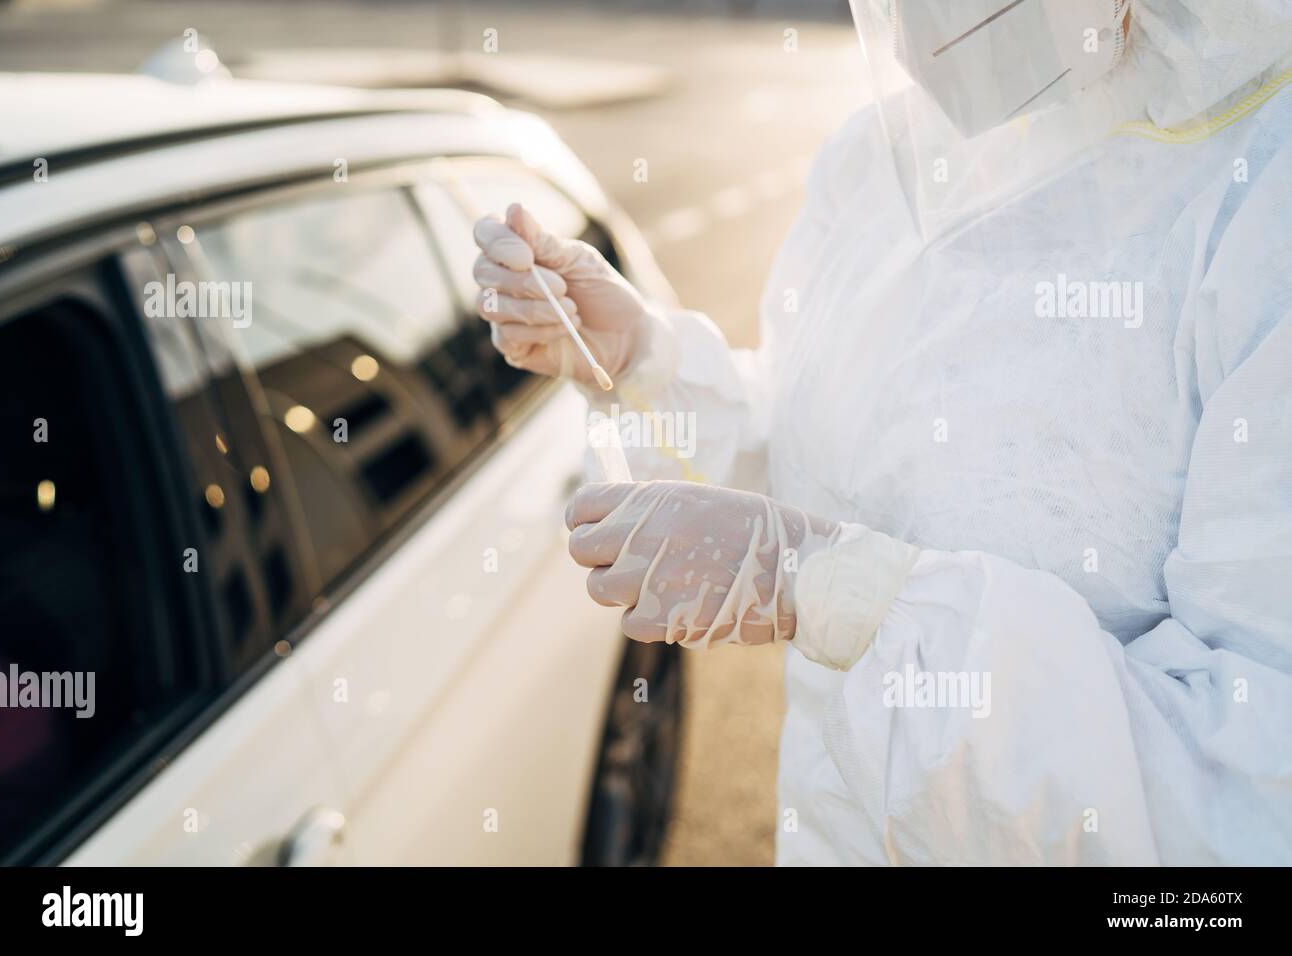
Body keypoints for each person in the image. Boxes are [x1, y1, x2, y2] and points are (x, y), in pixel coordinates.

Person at [471, 0, 1292, 864]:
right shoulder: (881, 158)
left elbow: (1246, 798)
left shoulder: (1258, 210)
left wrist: (845, 592)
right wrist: (640, 355)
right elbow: (809, 443)